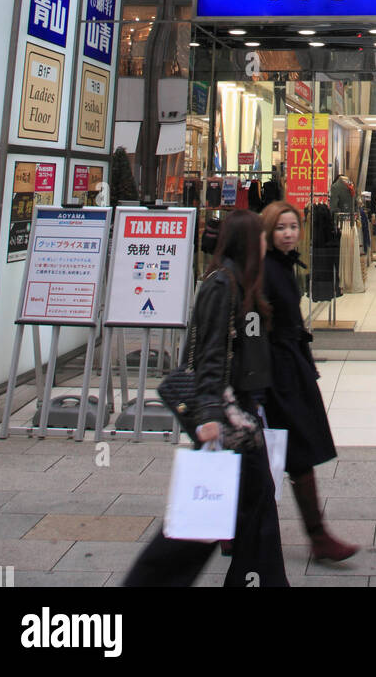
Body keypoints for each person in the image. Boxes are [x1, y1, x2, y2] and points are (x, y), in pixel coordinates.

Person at [122, 209, 289, 588]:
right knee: (209, 516)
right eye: (262, 236)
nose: (267, 242)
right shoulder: (222, 285)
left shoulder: (237, 281)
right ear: (248, 242)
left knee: (250, 504)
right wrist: (210, 414)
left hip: (237, 414)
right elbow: (209, 356)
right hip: (227, 420)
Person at [260, 201, 359, 564]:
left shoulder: (285, 267)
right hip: (277, 375)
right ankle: (317, 537)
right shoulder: (267, 270)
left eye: (293, 227)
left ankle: (235, 531)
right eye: (281, 228)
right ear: (269, 232)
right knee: (293, 452)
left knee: (284, 454)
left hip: (290, 369)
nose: (289, 233)